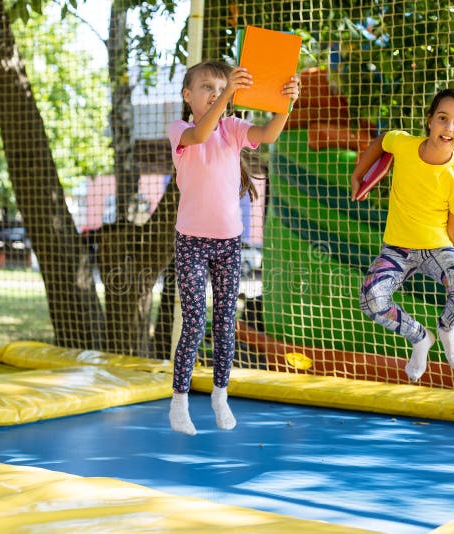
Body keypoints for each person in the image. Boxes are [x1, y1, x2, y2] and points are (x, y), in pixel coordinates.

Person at [167, 61, 300, 435]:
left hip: (228, 242)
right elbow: (201, 132)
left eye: (220, 87)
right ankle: (179, 402)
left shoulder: (234, 128)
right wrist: (227, 95)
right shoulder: (180, 129)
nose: (213, 92)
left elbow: (270, 133)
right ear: (187, 95)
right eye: (206, 87)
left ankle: (220, 396)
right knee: (194, 323)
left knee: (226, 323)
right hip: (191, 241)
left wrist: (285, 103)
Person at [350, 88, 454, 382]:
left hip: (436, 251)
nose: (449, 127)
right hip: (397, 250)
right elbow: (382, 142)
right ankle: (420, 338)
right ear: (430, 120)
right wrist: (358, 174)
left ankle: (445, 329)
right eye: (443, 118)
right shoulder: (404, 145)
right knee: (371, 299)